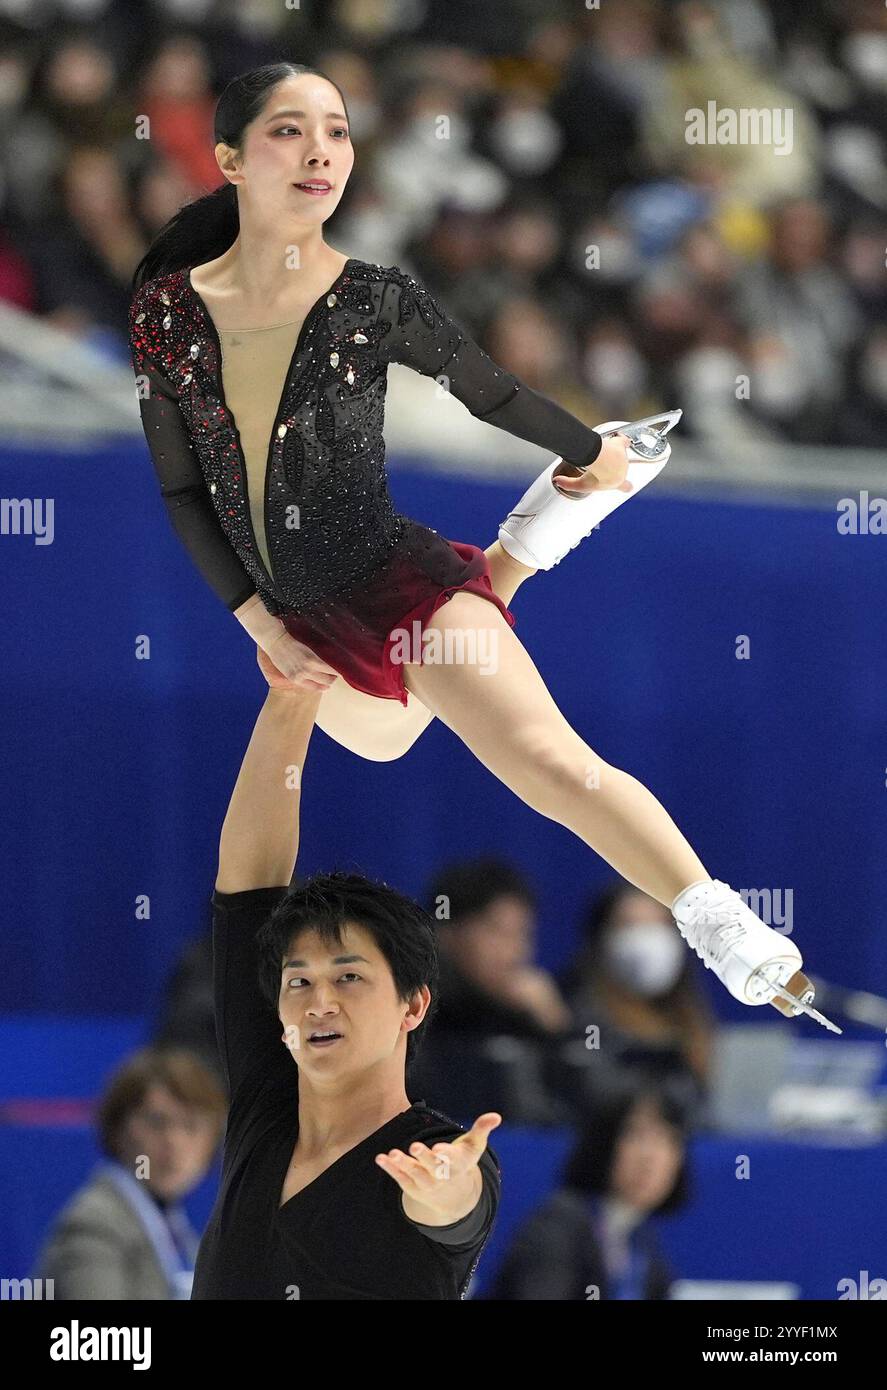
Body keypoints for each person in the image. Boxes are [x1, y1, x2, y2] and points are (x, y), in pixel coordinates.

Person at [128, 61, 831, 1029]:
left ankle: (712, 916)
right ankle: (521, 547)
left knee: (543, 762)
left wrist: (591, 454)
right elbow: (179, 489)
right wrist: (258, 621)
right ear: (228, 158)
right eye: (290, 130)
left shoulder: (369, 297)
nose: (321, 151)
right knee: (383, 740)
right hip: (302, 621)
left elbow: (485, 387)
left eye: (336, 130)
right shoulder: (167, 315)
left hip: (400, 593)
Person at [189, 656, 501, 1299]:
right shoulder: (269, 1096)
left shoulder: (435, 1151)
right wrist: (291, 694)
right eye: (298, 981)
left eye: (350, 977)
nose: (317, 1002)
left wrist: (447, 1188)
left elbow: (453, 1207)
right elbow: (249, 883)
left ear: (414, 1005)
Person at [33, 1047, 225, 1299]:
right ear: (118, 1130)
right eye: (157, 1122)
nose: (174, 1142)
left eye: (191, 1125)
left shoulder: (173, 1226)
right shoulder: (96, 1224)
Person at [484, 1083, 689, 1300]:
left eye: (667, 1139)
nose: (650, 1156)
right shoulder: (557, 1227)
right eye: (635, 1134)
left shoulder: (642, 1243)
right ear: (603, 1142)